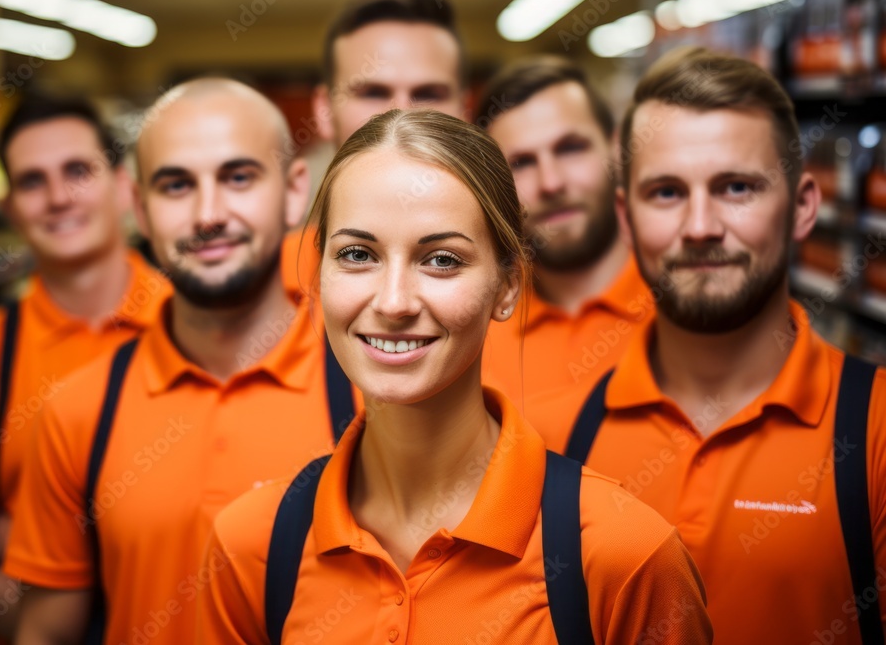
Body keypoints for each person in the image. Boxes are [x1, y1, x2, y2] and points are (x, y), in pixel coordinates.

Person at [196, 109, 713, 644]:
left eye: (441, 260)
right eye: (357, 254)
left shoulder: (621, 554)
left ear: (508, 286)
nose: (394, 302)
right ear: (320, 271)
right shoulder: (250, 548)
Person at [528, 47, 886, 643]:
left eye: (736, 187)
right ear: (626, 217)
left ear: (801, 208)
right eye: (666, 192)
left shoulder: (874, 434)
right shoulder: (545, 441)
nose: (700, 227)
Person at [2, 78, 359, 645]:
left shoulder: (376, 392)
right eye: (176, 186)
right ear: (139, 208)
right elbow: (46, 631)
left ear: (295, 191)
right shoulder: (78, 412)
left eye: (238, 177)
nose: (208, 214)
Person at [0, 98, 170, 644]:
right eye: (33, 181)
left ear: (124, 185)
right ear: (9, 207)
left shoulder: (199, 330)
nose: (57, 198)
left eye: (78, 171)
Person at [475, 56, 650, 405]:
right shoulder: (473, 333)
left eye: (570, 148)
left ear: (616, 149)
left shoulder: (686, 305)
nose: (551, 183)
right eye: (521, 163)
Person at [282, 0, 469, 297]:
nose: (400, 114)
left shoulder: (511, 280)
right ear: (324, 111)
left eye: (428, 94)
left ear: (464, 111)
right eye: (372, 93)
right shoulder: (271, 285)